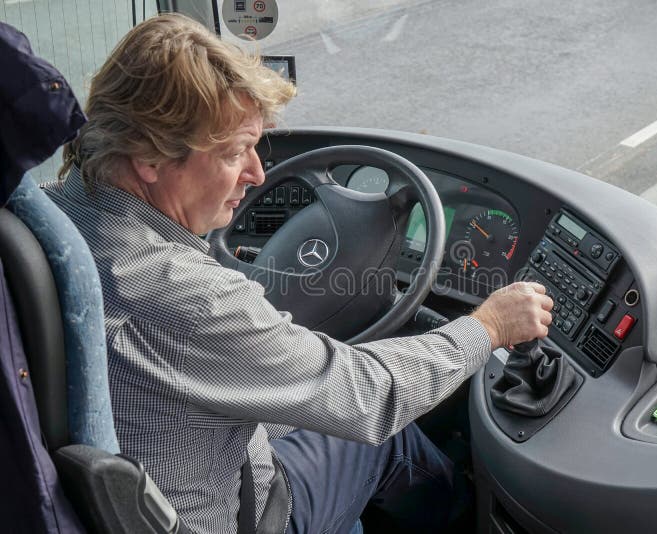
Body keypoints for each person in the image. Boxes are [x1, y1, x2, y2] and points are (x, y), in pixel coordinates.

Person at [44, 13, 553, 534]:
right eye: (234, 151)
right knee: (380, 438)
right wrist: (487, 327)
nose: (257, 173)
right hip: (238, 518)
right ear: (149, 158)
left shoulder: (50, 217)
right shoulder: (188, 296)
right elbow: (369, 398)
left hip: (136, 485)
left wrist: (300, 368)